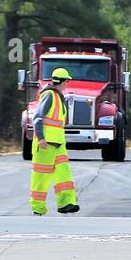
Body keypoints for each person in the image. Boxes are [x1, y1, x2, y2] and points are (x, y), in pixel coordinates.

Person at [30, 67, 80, 215]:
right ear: (63, 81)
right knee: (41, 177)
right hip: (45, 144)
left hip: (58, 144)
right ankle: (38, 208)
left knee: (63, 175)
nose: (67, 84)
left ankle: (66, 204)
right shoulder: (49, 95)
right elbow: (37, 118)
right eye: (67, 81)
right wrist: (41, 139)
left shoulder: (59, 96)